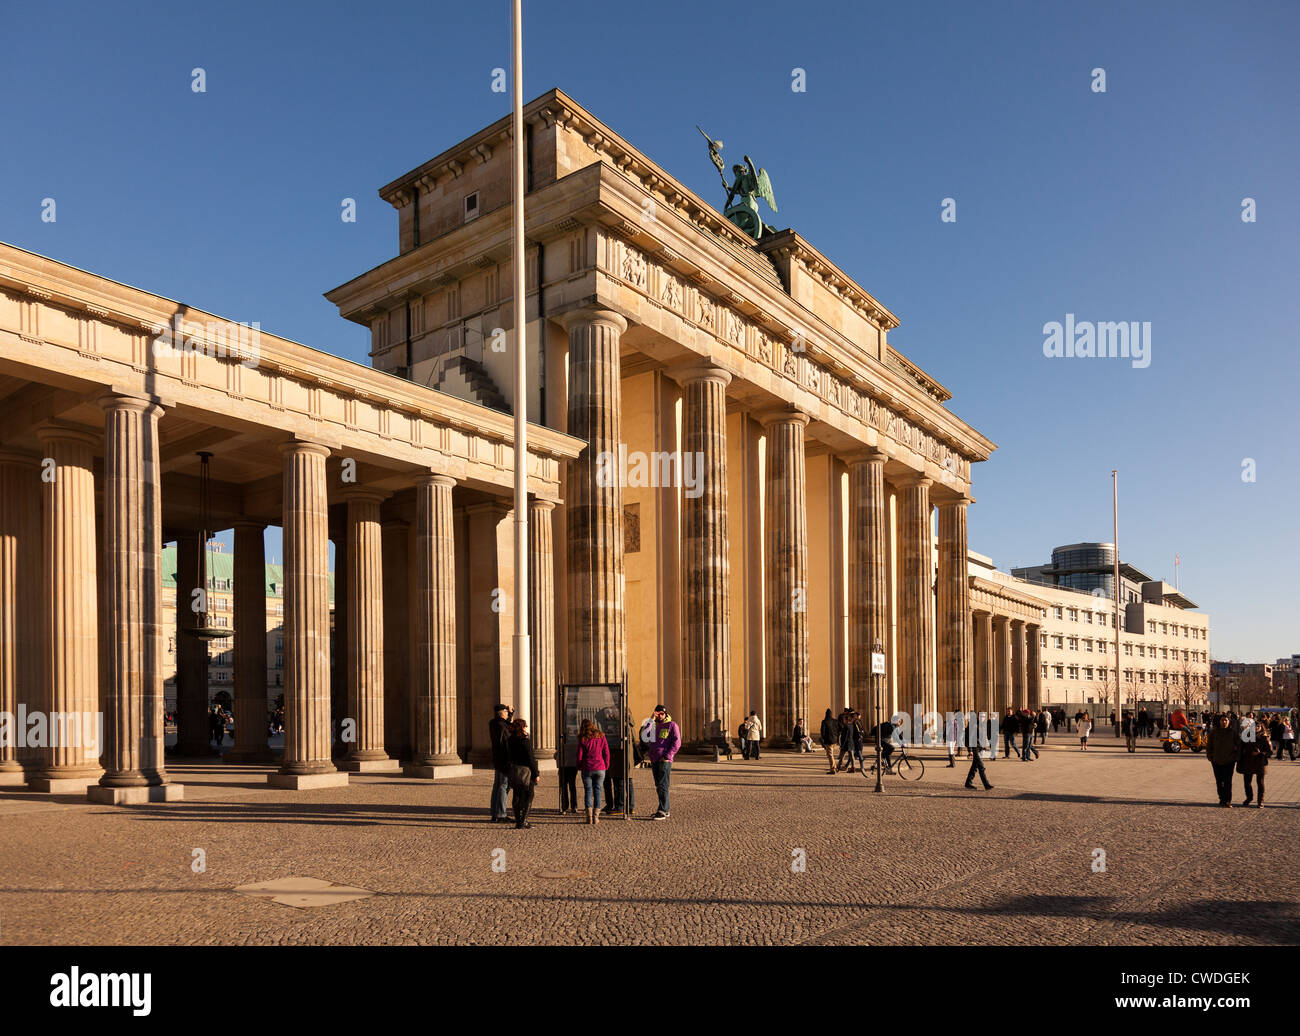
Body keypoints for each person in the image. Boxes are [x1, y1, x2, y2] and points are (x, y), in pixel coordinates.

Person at [506, 718, 540, 828]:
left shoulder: (511, 739)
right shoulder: (525, 741)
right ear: (522, 727)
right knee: (529, 795)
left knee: (516, 795)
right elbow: (531, 759)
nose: (526, 728)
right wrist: (536, 774)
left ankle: (518, 821)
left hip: (514, 769)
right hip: (526, 771)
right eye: (525, 726)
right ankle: (523, 821)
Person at [648, 705, 680, 820]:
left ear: (665, 714)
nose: (660, 715)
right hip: (654, 759)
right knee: (658, 786)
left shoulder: (672, 725)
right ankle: (663, 809)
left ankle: (663, 810)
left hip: (664, 760)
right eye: (658, 713)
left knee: (663, 785)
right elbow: (645, 736)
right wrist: (651, 720)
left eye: (662, 713)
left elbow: (677, 743)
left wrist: (667, 755)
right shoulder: (654, 726)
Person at [577, 718, 610, 826]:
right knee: (598, 791)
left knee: (588, 791)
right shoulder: (601, 736)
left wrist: (579, 766)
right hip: (600, 767)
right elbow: (606, 752)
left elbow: (579, 755)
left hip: (587, 768)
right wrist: (606, 765)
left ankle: (589, 817)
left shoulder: (583, 738)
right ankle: (596, 817)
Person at [1206, 713, 1239, 807]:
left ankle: (1228, 800)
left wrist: (1236, 757)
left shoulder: (1233, 732)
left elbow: (1239, 745)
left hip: (1229, 761)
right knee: (1219, 781)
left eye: (1226, 720)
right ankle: (1221, 798)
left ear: (1229, 722)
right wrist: (1210, 756)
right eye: (1222, 720)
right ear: (1219, 721)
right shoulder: (1214, 732)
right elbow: (1209, 746)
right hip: (1216, 760)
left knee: (1228, 781)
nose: (1224, 722)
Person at [488, 703, 513, 823]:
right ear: (502, 712)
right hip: (505, 760)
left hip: (497, 759)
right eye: (506, 712)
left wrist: (510, 715)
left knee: (497, 786)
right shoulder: (502, 726)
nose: (507, 713)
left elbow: (505, 724)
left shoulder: (493, 723)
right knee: (504, 786)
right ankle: (501, 814)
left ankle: (494, 813)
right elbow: (507, 743)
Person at [1238, 722, 1271, 808]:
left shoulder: (1264, 738)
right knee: (1247, 782)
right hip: (1248, 762)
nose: (1256, 728)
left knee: (1260, 783)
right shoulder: (1246, 737)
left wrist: (1260, 753)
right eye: (1254, 726)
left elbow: (1269, 752)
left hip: (1260, 763)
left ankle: (1260, 801)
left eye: (1258, 726)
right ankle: (1249, 797)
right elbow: (1241, 749)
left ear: (1261, 727)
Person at [963, 713, 994, 791]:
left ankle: (968, 783)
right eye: (981, 716)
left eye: (984, 716)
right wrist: (969, 750)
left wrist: (985, 746)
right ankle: (986, 784)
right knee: (981, 767)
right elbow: (968, 738)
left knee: (974, 767)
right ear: (978, 716)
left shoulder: (982, 725)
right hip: (974, 748)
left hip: (979, 747)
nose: (982, 718)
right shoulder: (973, 725)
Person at [819, 708, 840, 775]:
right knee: (831, 754)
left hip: (828, 741)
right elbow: (839, 729)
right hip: (835, 740)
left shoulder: (824, 721)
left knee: (830, 755)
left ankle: (833, 769)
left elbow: (822, 732)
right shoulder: (835, 721)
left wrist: (824, 739)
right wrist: (836, 736)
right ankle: (835, 767)